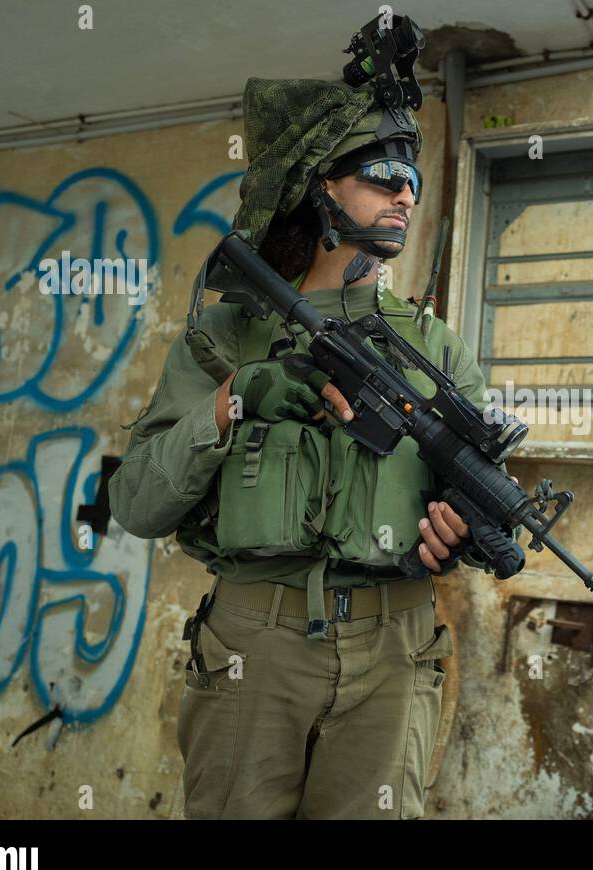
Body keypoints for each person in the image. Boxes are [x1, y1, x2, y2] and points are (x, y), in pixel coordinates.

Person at [108, 73, 508, 819]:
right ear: (321, 186)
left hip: (395, 644)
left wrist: (462, 533)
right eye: (383, 174)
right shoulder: (227, 334)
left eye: (413, 179)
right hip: (255, 648)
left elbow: (482, 507)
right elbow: (135, 503)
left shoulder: (438, 351)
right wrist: (234, 400)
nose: (407, 195)